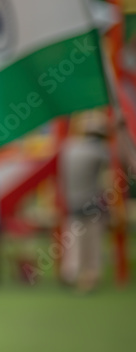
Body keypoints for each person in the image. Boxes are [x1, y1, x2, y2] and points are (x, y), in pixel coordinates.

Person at [59, 111, 111, 292]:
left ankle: (71, 272)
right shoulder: (99, 151)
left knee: (73, 242)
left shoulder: (68, 148)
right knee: (92, 244)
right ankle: (90, 275)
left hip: (73, 203)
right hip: (92, 204)